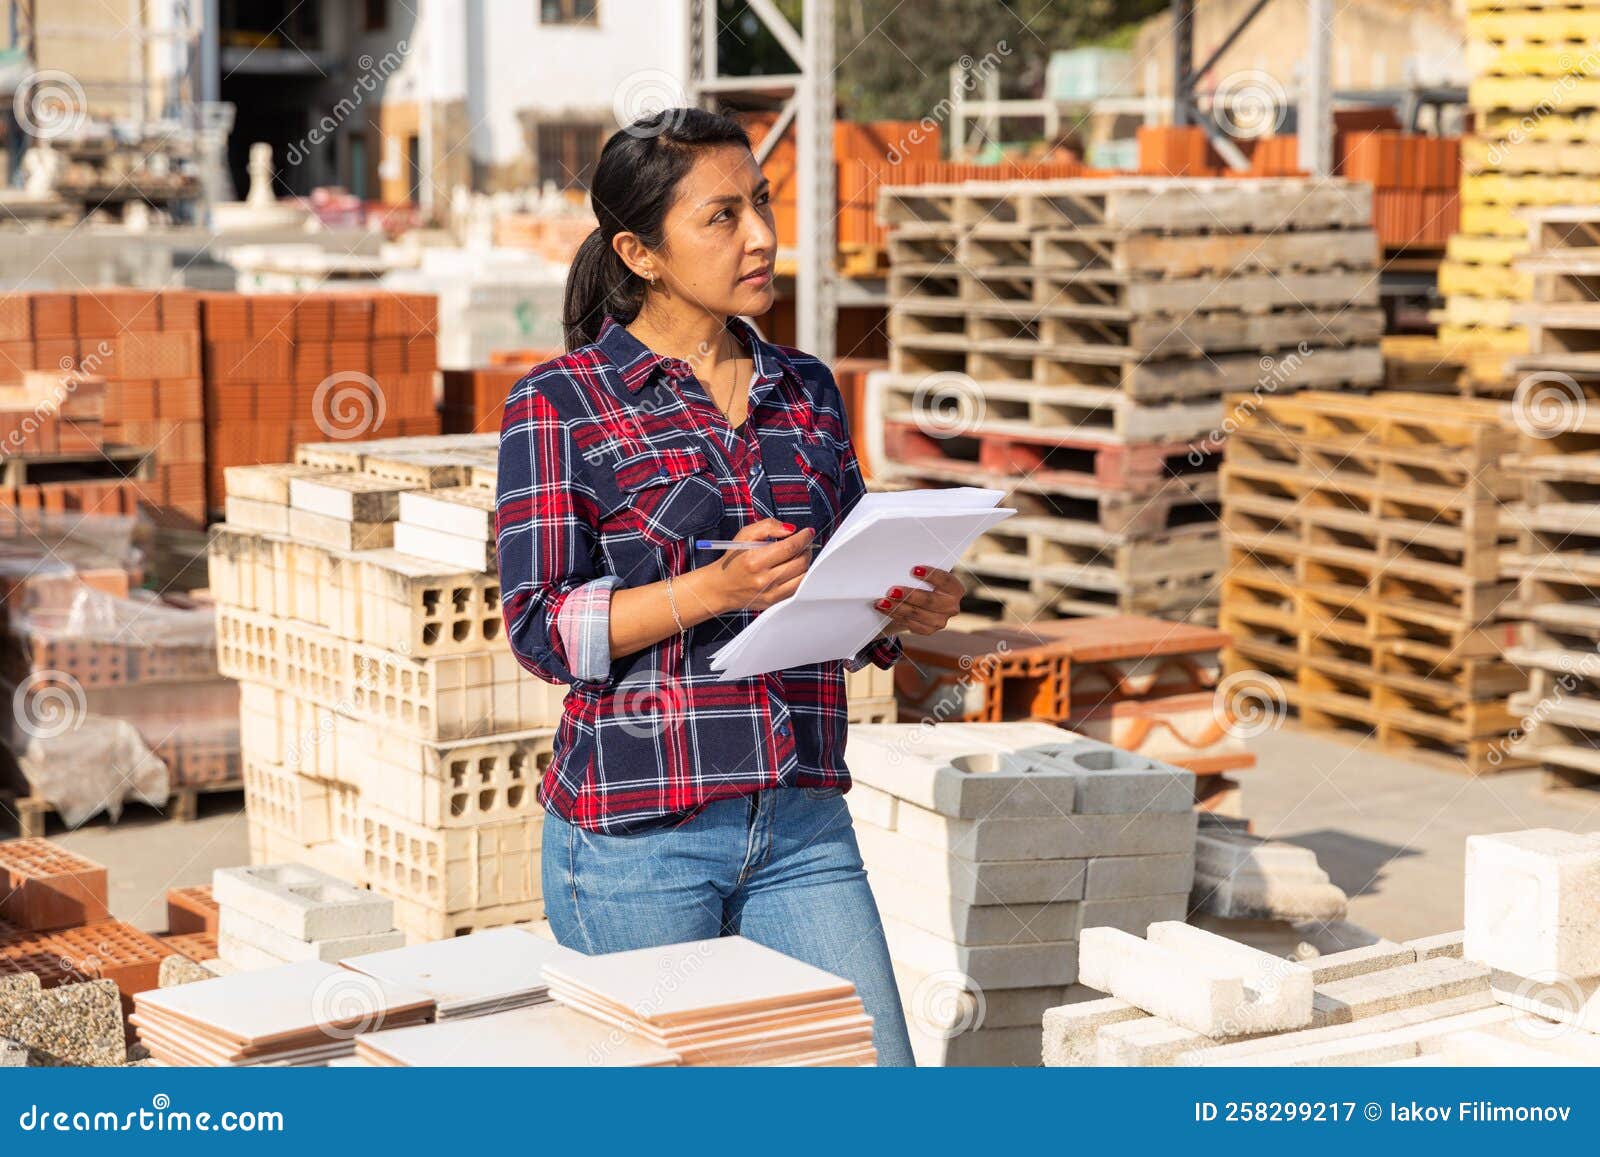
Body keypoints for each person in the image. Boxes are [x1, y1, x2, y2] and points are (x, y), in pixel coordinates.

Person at [494, 108, 965, 1067]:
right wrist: (712, 588)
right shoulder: (560, 402)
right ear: (641, 251)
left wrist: (900, 607)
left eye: (760, 203)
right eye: (721, 216)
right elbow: (541, 629)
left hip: (799, 817)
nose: (759, 234)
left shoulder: (806, 388)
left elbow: (837, 580)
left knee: (878, 1083)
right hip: (638, 838)